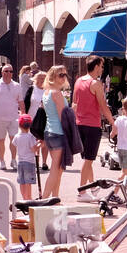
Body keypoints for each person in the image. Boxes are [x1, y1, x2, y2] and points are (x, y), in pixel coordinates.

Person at [71, 56, 115, 197]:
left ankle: (92, 187)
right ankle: (82, 191)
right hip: (92, 126)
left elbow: (74, 105)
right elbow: (103, 106)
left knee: (87, 160)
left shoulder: (78, 81)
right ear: (96, 66)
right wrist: (114, 123)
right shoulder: (96, 84)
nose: (102, 69)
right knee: (89, 160)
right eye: (101, 66)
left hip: (80, 125)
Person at [0, 64, 25, 171]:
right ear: (2, 72)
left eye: (10, 71)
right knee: (0, 140)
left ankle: (13, 160)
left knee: (14, 140)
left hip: (13, 118)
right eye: (6, 71)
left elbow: (21, 101)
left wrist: (24, 114)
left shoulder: (17, 86)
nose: (8, 73)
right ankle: (2, 161)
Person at [41, 65, 71, 199]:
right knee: (55, 169)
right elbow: (62, 117)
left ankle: (55, 198)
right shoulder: (56, 93)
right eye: (60, 75)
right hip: (58, 132)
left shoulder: (47, 92)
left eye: (65, 74)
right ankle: (45, 198)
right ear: (53, 76)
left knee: (58, 169)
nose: (64, 77)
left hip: (49, 132)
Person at [12, 114, 38, 201]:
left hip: (20, 162)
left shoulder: (17, 136)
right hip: (29, 162)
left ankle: (24, 198)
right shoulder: (30, 137)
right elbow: (33, 149)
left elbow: (14, 144)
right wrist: (40, 145)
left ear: (19, 125)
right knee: (28, 182)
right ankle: (29, 198)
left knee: (22, 181)